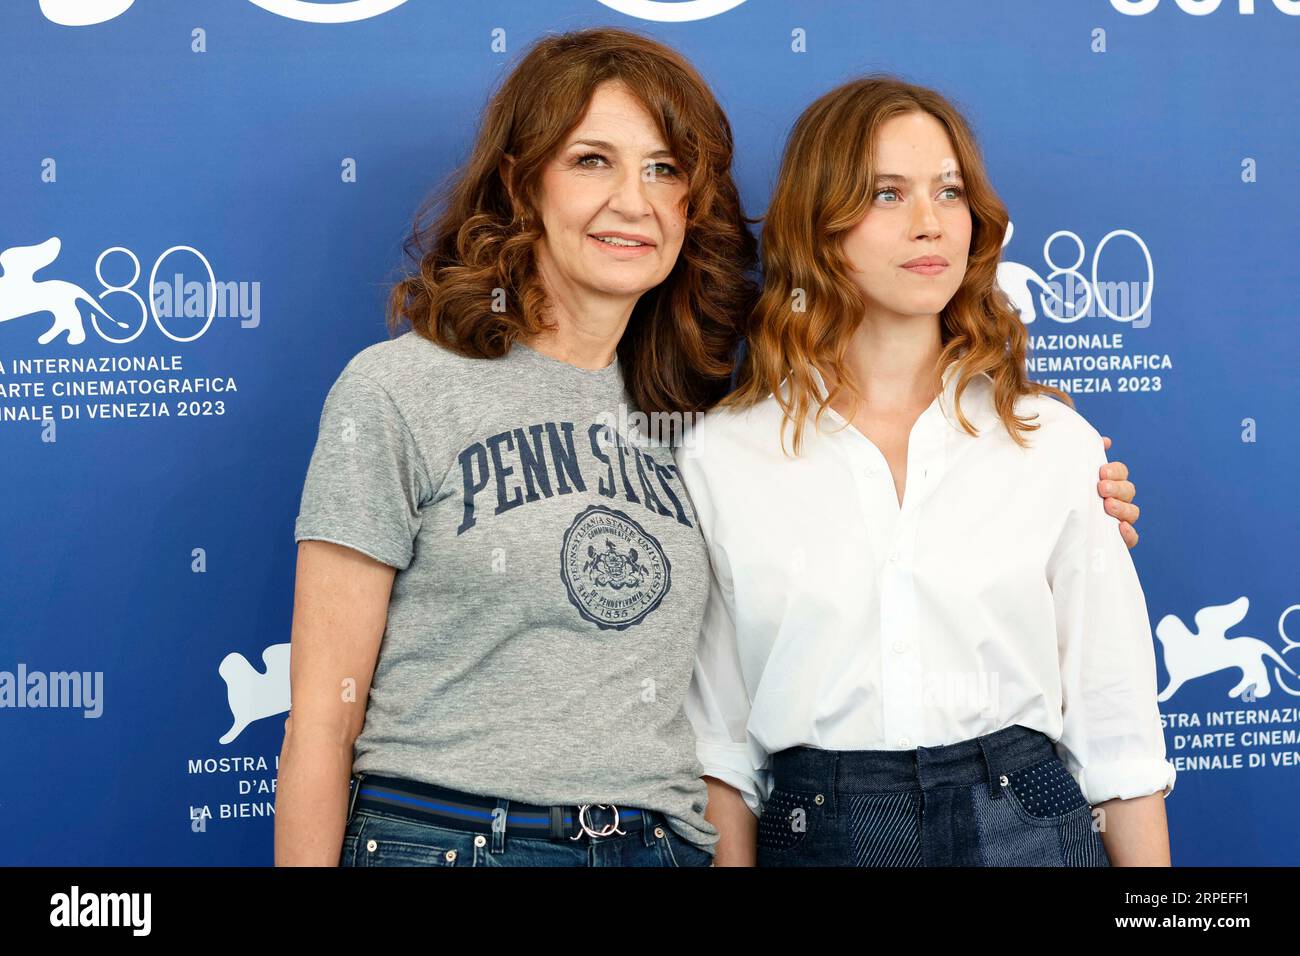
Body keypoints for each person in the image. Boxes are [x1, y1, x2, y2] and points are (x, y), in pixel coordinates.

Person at [274, 27, 757, 867]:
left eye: (664, 169)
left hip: (659, 843)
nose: (634, 202)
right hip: (453, 839)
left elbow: (717, 718)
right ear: (520, 180)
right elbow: (322, 718)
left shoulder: (707, 421)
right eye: (591, 161)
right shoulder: (399, 390)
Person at [677, 76, 1173, 867]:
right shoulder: (722, 457)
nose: (929, 222)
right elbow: (719, 750)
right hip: (819, 830)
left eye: (949, 191)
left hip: (1029, 821)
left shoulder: (1054, 442)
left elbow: (1118, 736)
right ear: (819, 223)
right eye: (886, 193)